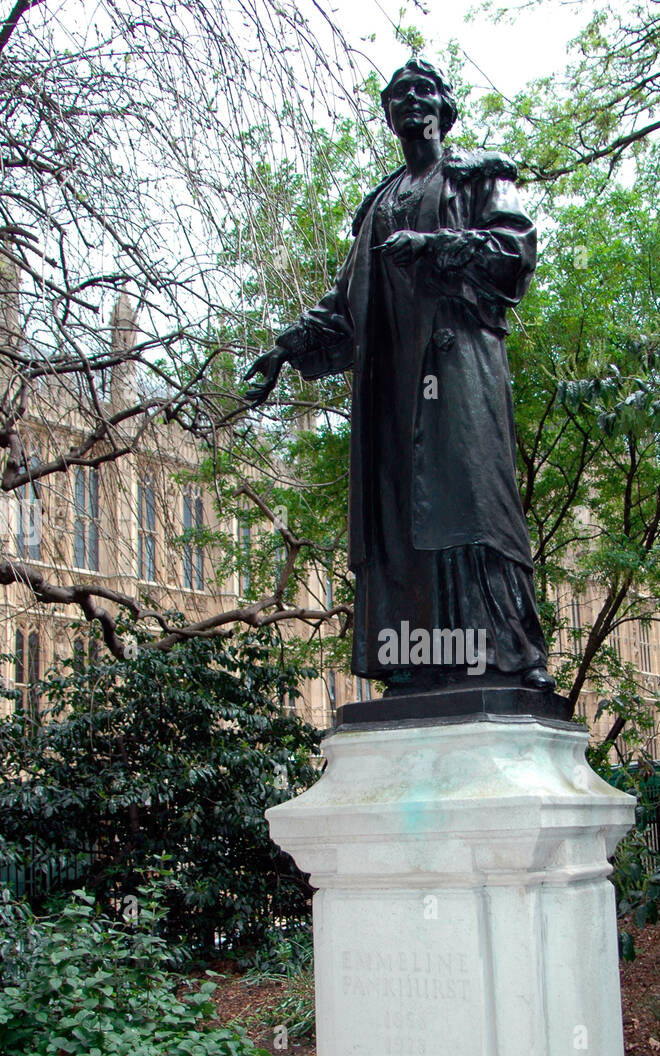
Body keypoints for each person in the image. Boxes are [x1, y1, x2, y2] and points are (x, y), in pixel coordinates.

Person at [244, 57, 554, 696]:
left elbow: (513, 257)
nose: (411, 101)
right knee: (400, 520)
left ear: (446, 106)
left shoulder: (479, 178)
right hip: (390, 388)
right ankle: (419, 658)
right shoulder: (376, 205)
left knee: (473, 506)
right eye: (398, 95)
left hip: (457, 375)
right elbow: (345, 307)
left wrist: (433, 245)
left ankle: (509, 655)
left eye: (424, 90)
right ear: (388, 115)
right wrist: (283, 349)